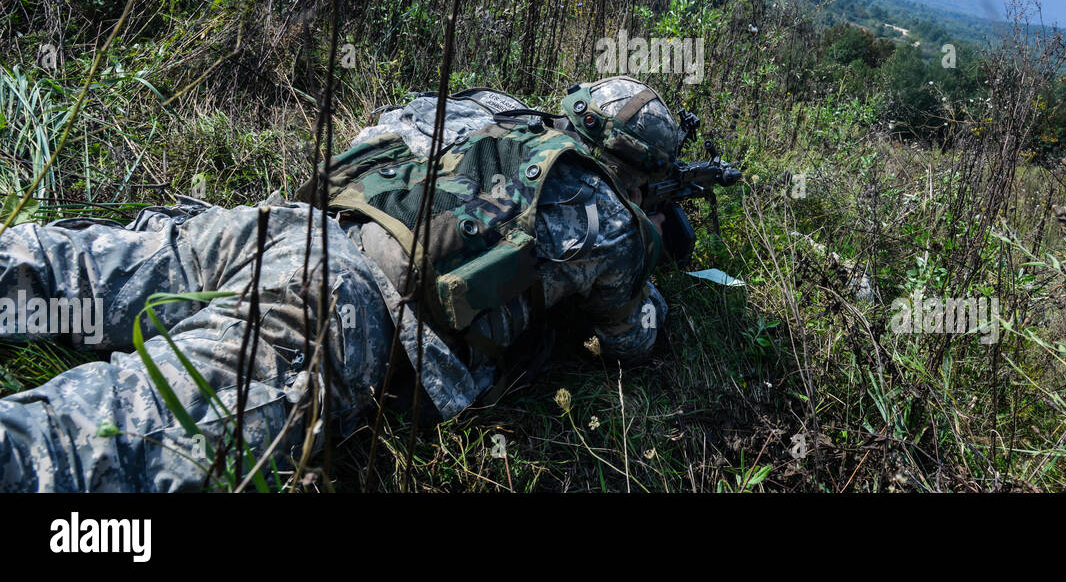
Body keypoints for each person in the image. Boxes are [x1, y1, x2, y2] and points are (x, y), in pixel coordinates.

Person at [0, 76, 686, 491]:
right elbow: (630, 338)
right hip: (338, 311)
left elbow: (385, 129)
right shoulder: (614, 221)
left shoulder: (497, 108)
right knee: (102, 443)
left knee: (71, 267)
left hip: (288, 225)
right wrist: (650, 241)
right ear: (643, 169)